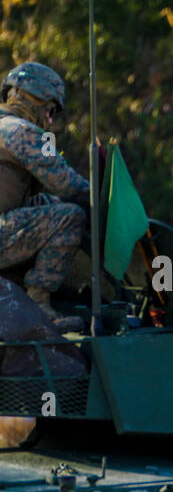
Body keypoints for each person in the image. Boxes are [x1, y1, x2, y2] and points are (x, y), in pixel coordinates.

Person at [0, 62, 91, 333]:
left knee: (47, 204)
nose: (50, 121)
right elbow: (67, 184)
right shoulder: (22, 131)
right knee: (70, 217)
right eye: (51, 111)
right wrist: (102, 203)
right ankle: (38, 304)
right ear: (36, 99)